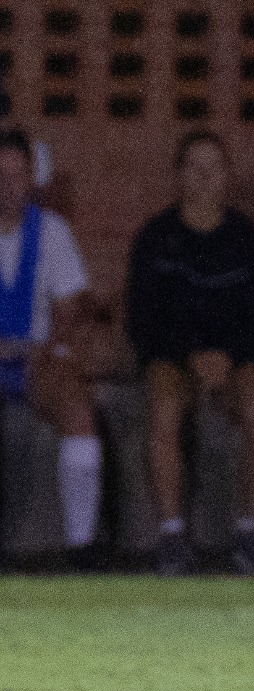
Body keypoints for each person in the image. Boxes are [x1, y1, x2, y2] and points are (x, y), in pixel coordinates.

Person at [126, 132, 254, 575]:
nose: (203, 177)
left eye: (213, 167)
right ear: (178, 176)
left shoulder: (247, 240)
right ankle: (172, 535)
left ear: (227, 177)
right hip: (174, 359)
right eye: (193, 167)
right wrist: (188, 355)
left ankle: (250, 533)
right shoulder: (155, 239)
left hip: (234, 361)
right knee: (162, 407)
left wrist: (229, 356)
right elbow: (141, 319)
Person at [0, 128, 104, 568]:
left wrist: (43, 350)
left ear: (31, 180)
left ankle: (81, 545)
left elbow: (68, 312)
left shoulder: (53, 233)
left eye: (16, 175)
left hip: (34, 360)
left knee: (79, 408)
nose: (7, 186)